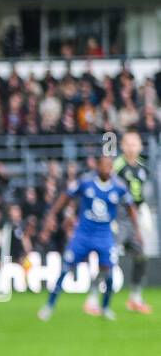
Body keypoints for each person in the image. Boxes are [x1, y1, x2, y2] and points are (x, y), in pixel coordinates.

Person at [39, 154, 139, 321]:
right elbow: (66, 195)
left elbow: (131, 208)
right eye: (104, 165)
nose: (107, 168)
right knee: (66, 268)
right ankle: (49, 305)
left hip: (104, 235)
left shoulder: (119, 186)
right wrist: (51, 214)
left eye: (110, 166)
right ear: (97, 166)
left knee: (108, 272)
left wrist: (137, 230)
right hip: (83, 234)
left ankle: (105, 308)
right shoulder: (85, 182)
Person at [113, 131, 152, 314]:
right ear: (122, 146)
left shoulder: (143, 167)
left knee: (141, 256)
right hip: (119, 216)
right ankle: (93, 298)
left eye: (135, 143)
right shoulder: (117, 166)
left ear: (140, 146)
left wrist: (144, 212)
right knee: (109, 255)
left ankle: (135, 299)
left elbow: (141, 195)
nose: (131, 147)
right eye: (128, 143)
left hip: (134, 219)